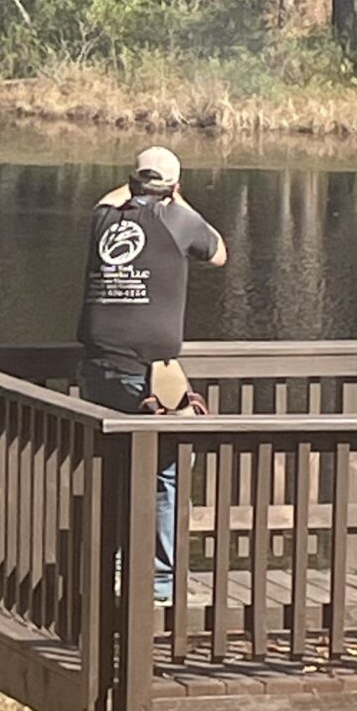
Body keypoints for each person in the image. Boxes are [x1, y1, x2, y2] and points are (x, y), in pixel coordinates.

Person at [76, 145, 226, 605]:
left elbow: (108, 198)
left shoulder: (103, 218)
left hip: (96, 367)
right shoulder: (178, 220)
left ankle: (111, 571)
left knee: (114, 467)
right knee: (169, 471)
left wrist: (136, 187)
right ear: (174, 187)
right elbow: (219, 252)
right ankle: (158, 583)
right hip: (145, 374)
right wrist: (177, 199)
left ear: (132, 182)